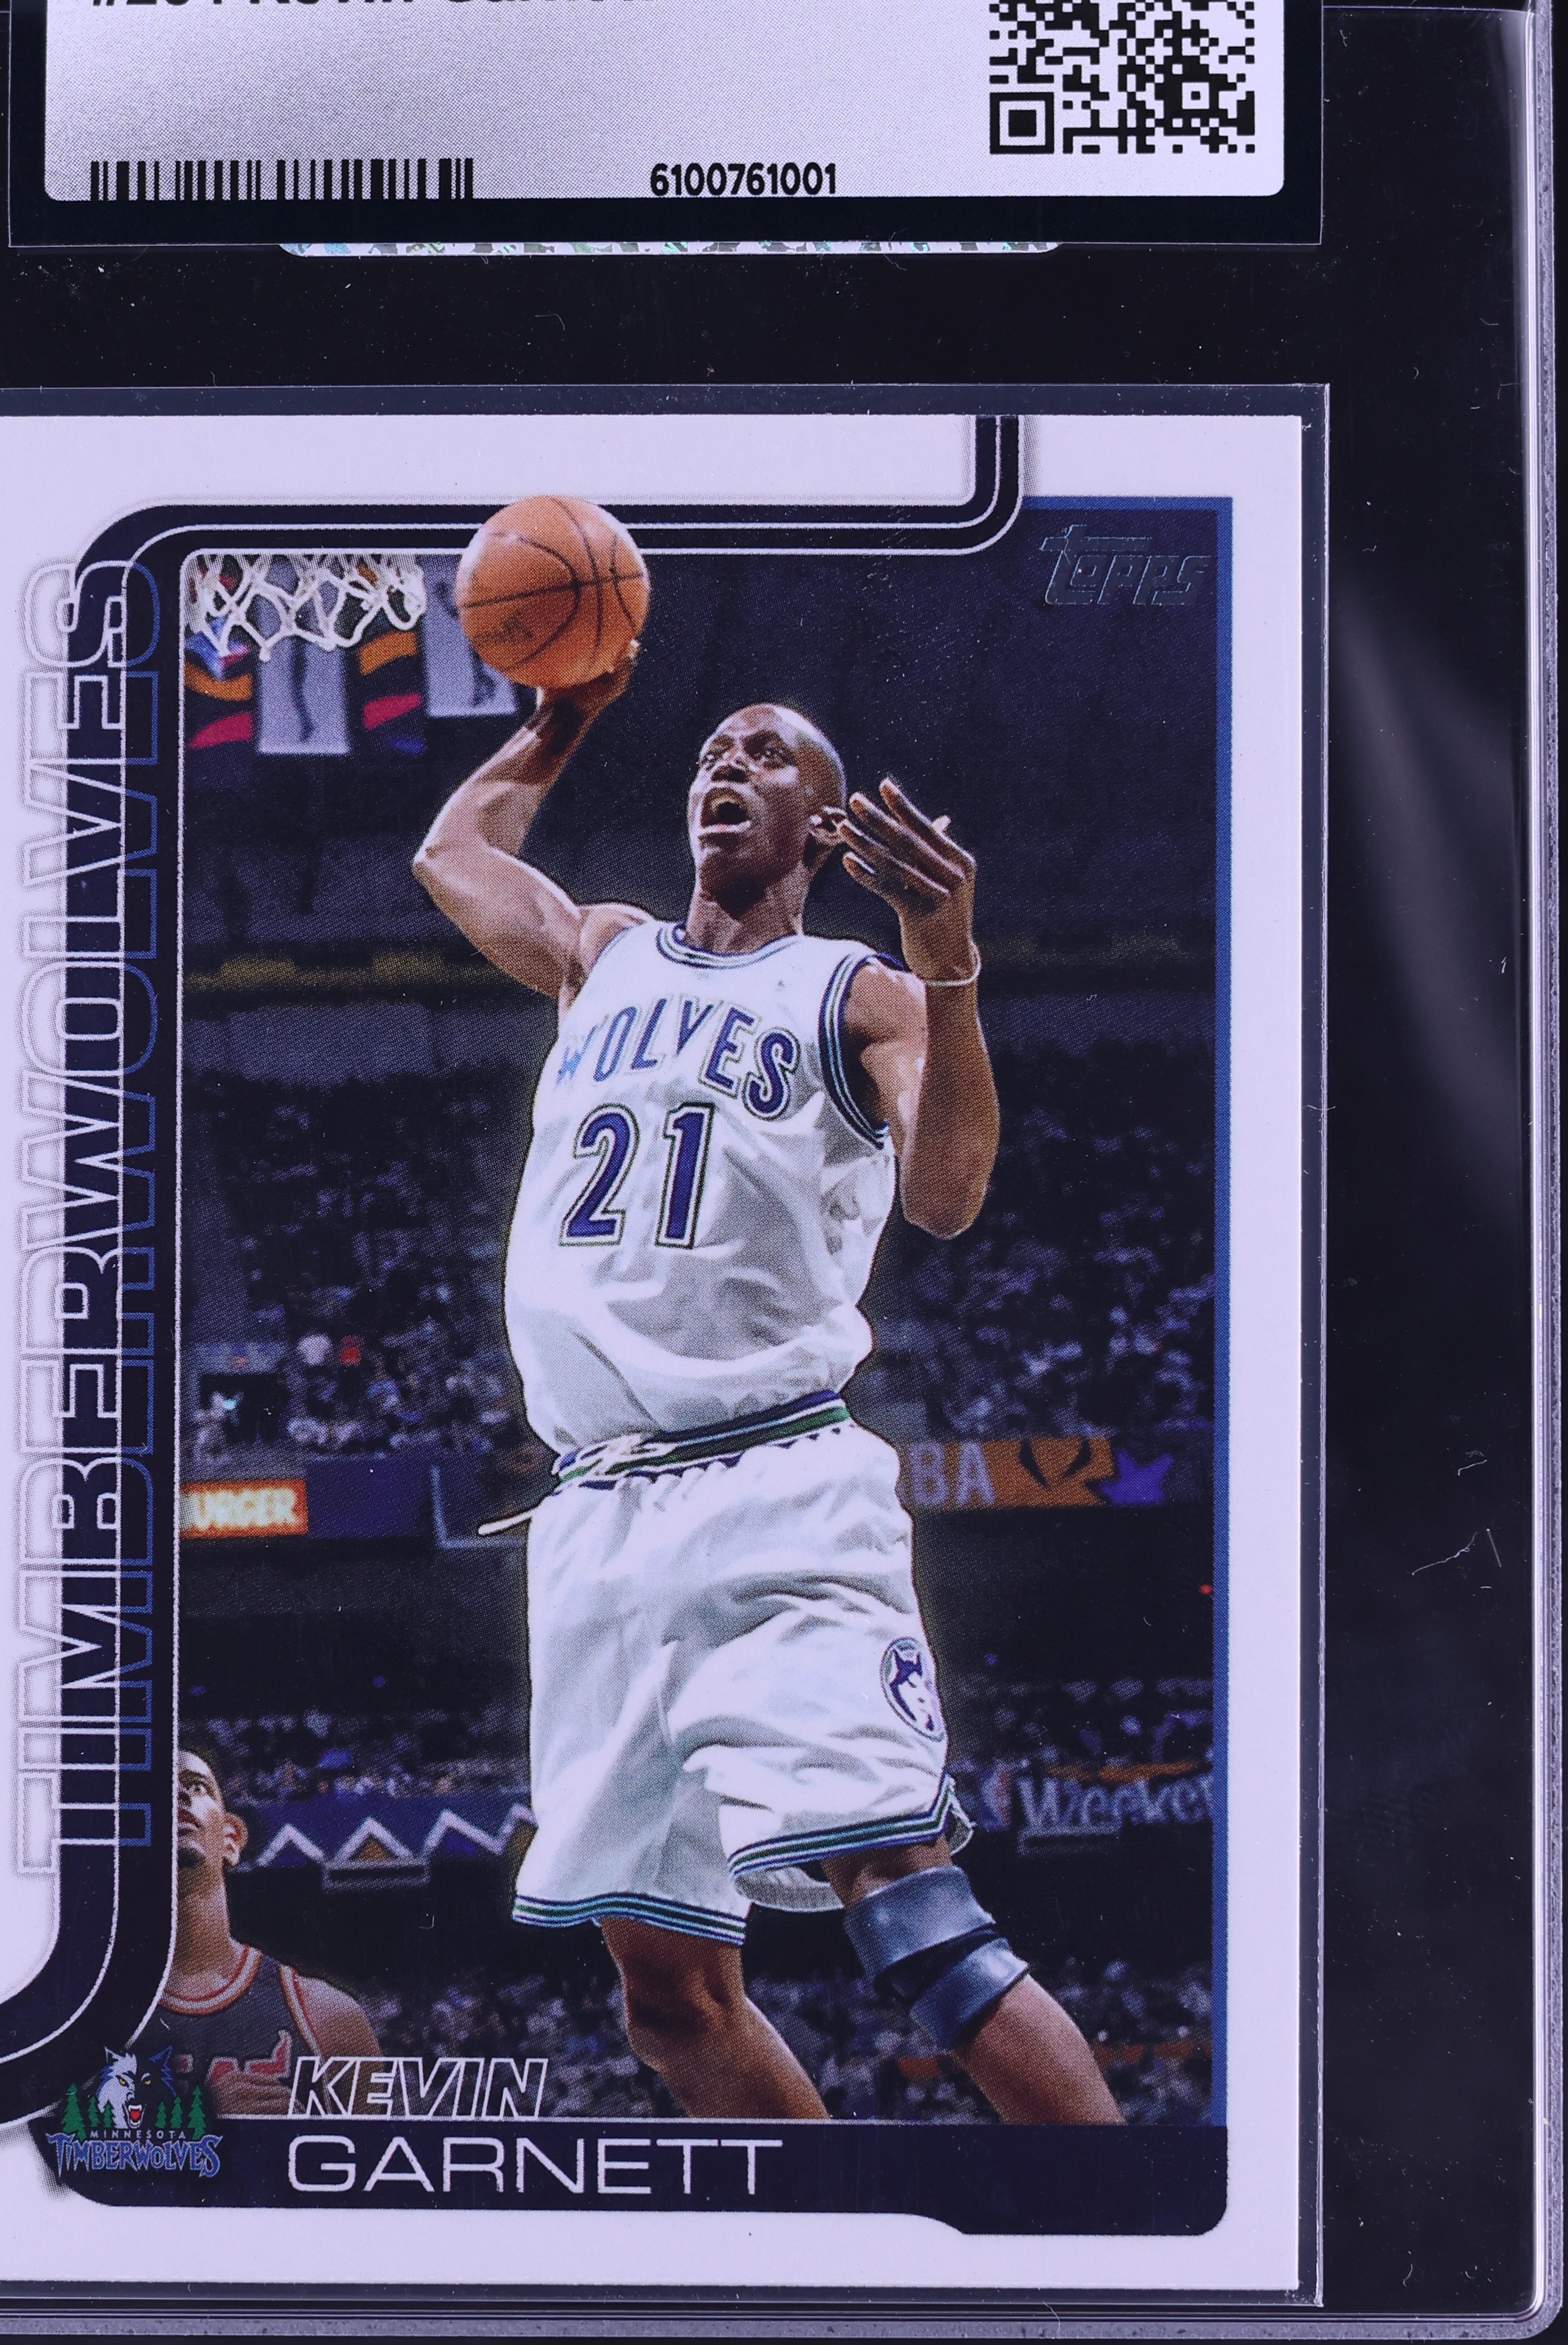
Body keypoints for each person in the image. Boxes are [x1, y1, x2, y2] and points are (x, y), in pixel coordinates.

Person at [413, 667, 1119, 2124]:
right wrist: (557, 721)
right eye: (712, 753)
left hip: (769, 1482)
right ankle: (836, 2240)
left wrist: (950, 965)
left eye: (766, 755)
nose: (726, 766)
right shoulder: (602, 953)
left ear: (825, 822)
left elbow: (945, 1193)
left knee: (915, 1919)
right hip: (593, 1518)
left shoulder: (860, 992)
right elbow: (453, 853)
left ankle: (1127, 2232)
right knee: (667, 1999)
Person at [136, 1748, 378, 2115]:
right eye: (156, 1789)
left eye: (197, 1786)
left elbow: (390, 2152)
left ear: (231, 1840)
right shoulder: (81, 2018)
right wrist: (204, 2126)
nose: (179, 1795)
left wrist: (298, 2139)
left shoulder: (330, 2018)